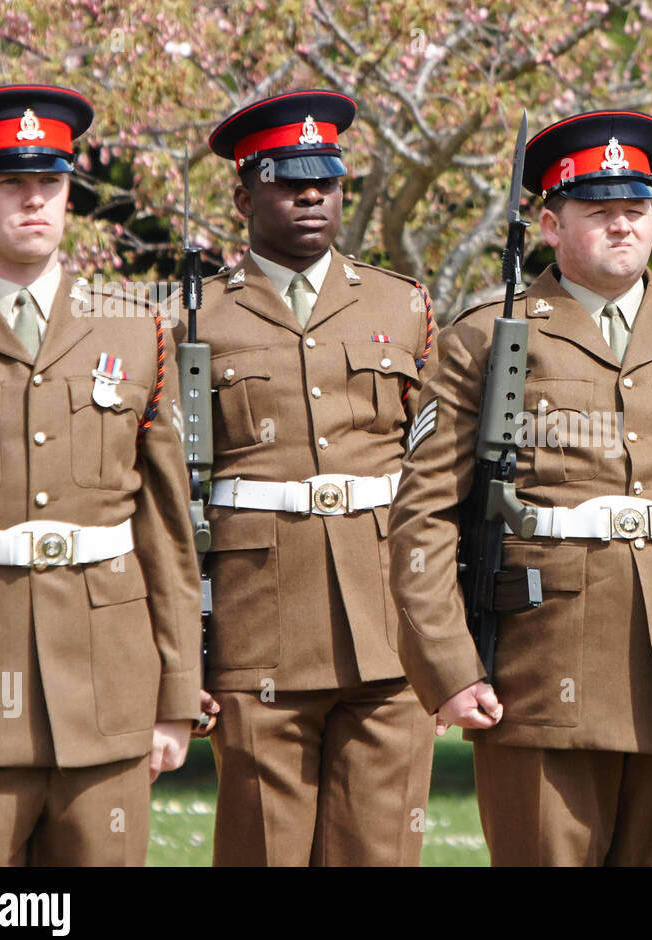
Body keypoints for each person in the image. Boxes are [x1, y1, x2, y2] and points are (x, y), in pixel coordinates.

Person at [388, 110, 652, 866]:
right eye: (599, 212)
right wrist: (448, 666)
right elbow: (425, 515)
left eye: (635, 211)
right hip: (542, 666)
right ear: (549, 223)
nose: (622, 227)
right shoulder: (486, 335)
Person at [0, 84, 201, 865]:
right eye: (13, 183)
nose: (36, 201)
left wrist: (176, 697)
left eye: (51, 183)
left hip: (107, 692)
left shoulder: (136, 328)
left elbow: (166, 530)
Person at [186, 90, 436, 866]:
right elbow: (170, 495)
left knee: (384, 849)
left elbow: (433, 480)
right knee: (263, 848)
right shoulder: (191, 319)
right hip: (256, 619)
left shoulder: (402, 304)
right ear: (243, 195)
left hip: (388, 620)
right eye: (287, 180)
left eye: (324, 181)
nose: (309, 196)